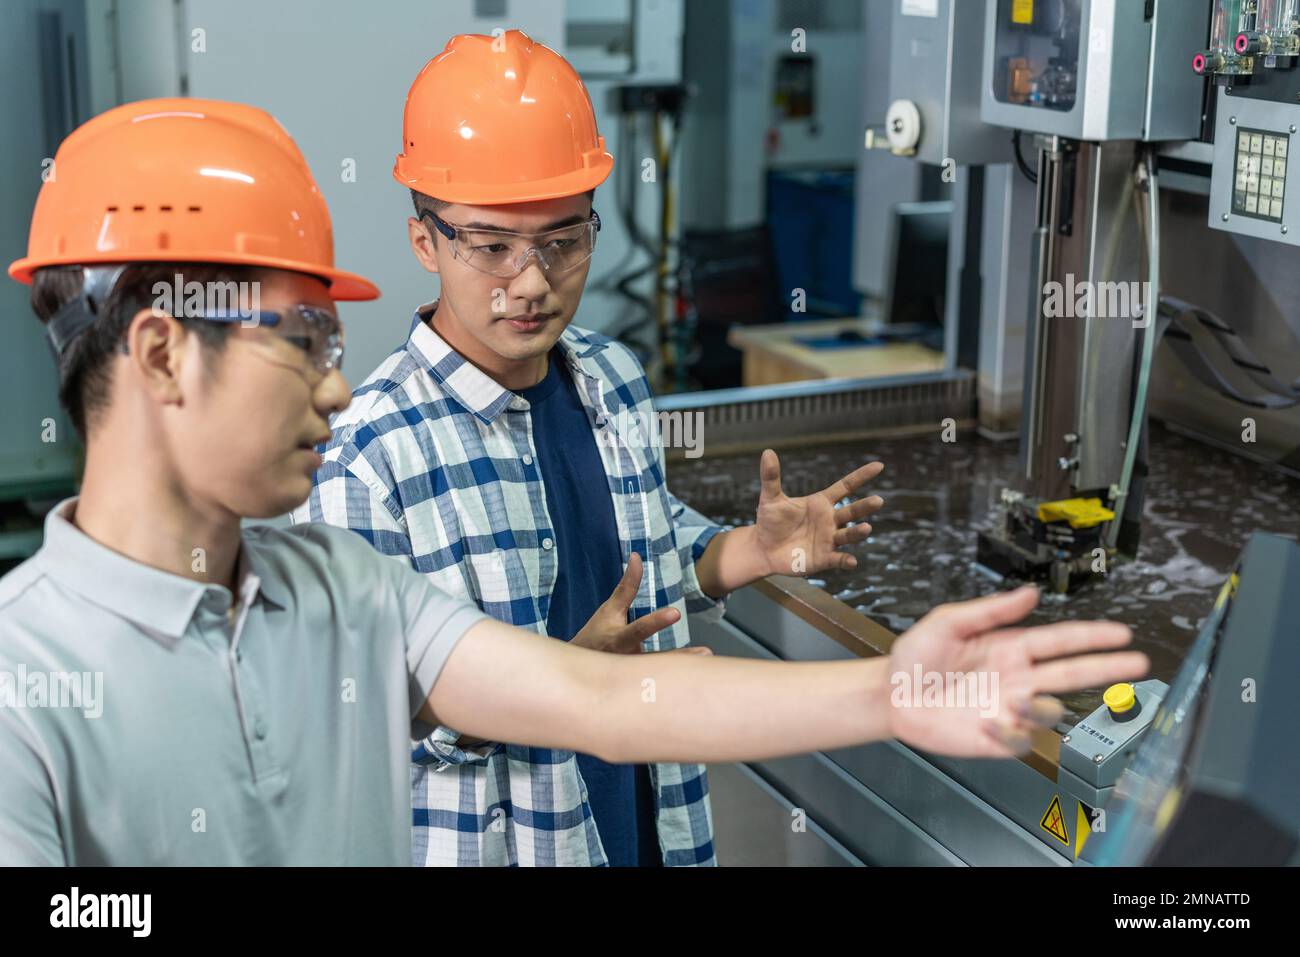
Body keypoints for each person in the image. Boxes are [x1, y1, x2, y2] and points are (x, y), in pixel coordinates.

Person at [0, 96, 1147, 867]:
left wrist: (891, 692)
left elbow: (614, 701)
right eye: (298, 339)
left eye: (329, 344)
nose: (334, 389)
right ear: (161, 353)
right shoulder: (22, 689)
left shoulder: (344, 595)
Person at [298, 30, 1075, 867]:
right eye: (492, 246)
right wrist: (565, 685)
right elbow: (355, 719)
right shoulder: (365, 457)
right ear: (426, 242)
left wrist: (751, 548)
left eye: (562, 241)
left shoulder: (611, 378)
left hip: (653, 829)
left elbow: (646, 551)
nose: (531, 280)